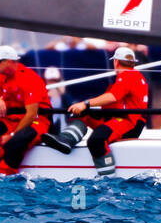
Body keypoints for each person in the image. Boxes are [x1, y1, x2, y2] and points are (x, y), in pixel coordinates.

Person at [47, 46, 149, 175]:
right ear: (133, 63)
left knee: (96, 139)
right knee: (81, 114)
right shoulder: (133, 76)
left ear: (116, 62)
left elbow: (113, 97)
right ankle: (66, 140)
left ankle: (108, 179)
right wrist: (85, 107)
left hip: (128, 122)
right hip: (121, 119)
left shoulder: (128, 76)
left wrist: (85, 103)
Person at [0, 45, 50, 176]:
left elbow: (31, 114)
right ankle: (1, 173)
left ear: (9, 61)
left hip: (36, 121)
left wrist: (11, 135)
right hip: (10, 120)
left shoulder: (29, 78)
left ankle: (5, 176)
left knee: (15, 142)